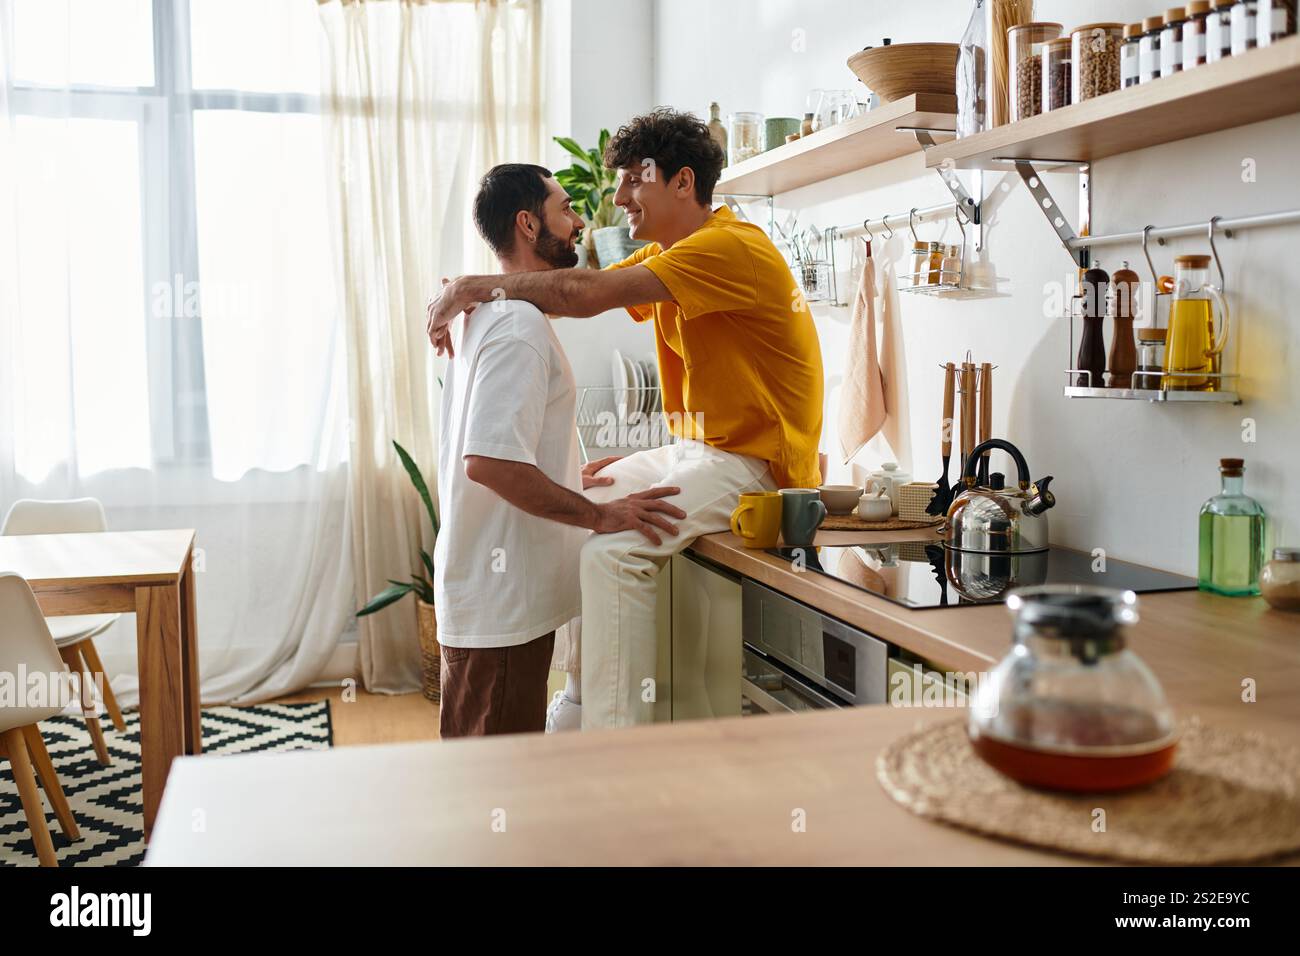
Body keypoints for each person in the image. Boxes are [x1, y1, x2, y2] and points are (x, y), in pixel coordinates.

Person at [428, 112, 824, 730]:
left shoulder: (728, 247)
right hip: (698, 450)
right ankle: (581, 698)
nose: (617, 201)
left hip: (758, 466)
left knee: (611, 551)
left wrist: (473, 286)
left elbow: (580, 296)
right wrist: (473, 301)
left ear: (682, 182)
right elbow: (564, 295)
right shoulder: (675, 257)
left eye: (633, 182)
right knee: (595, 493)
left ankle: (611, 740)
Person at [433, 163, 685, 738]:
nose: (578, 224)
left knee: (485, 786)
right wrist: (600, 516)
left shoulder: (487, 316)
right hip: (501, 609)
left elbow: (500, 443)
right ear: (527, 224)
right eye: (565, 209)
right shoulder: (517, 327)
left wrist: (568, 472)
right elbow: (490, 463)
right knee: (496, 794)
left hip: (492, 604)